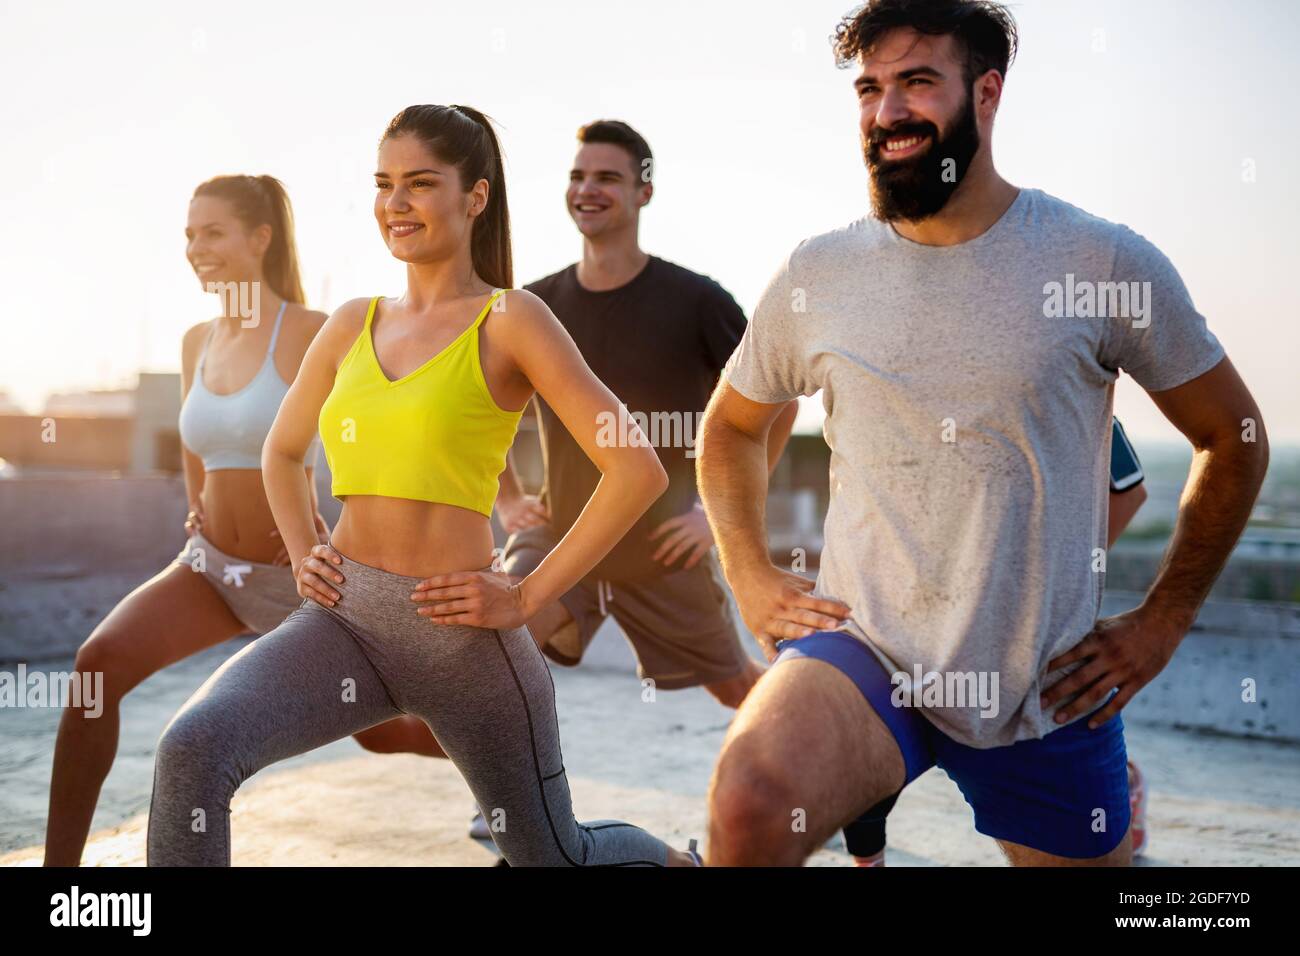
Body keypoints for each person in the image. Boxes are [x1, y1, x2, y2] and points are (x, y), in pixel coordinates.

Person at [698, 0, 1267, 866]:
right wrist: (746, 571)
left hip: (1044, 680)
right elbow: (731, 428)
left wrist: (1163, 621)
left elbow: (1236, 434)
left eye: (917, 83)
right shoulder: (820, 272)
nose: (888, 112)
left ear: (987, 92)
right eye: (871, 88)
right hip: (868, 648)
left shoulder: (1098, 261)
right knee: (750, 800)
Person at [145, 104, 701, 866]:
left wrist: (526, 597)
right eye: (383, 184)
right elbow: (283, 453)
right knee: (192, 749)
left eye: (418, 184)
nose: (394, 204)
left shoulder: (512, 320)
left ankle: (677, 862)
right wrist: (308, 551)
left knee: (553, 854)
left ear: (474, 197)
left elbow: (635, 469)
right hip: (343, 621)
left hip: (464, 641)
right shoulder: (350, 324)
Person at [43, 174, 330, 866]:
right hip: (208, 569)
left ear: (260, 238)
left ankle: (502, 767)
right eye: (189, 235)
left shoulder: (312, 332)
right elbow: (198, 439)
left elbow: (377, 435)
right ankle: (59, 879)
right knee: (96, 668)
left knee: (389, 728)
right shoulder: (196, 338)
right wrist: (198, 506)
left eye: (213, 232)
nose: (196, 248)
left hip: (296, 579)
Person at [842, 418, 1152, 865]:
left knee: (1054, 728)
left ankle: (1122, 786)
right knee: (865, 727)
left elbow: (1127, 491)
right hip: (907, 608)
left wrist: (1052, 581)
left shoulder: (1044, 369)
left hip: (1014, 623)